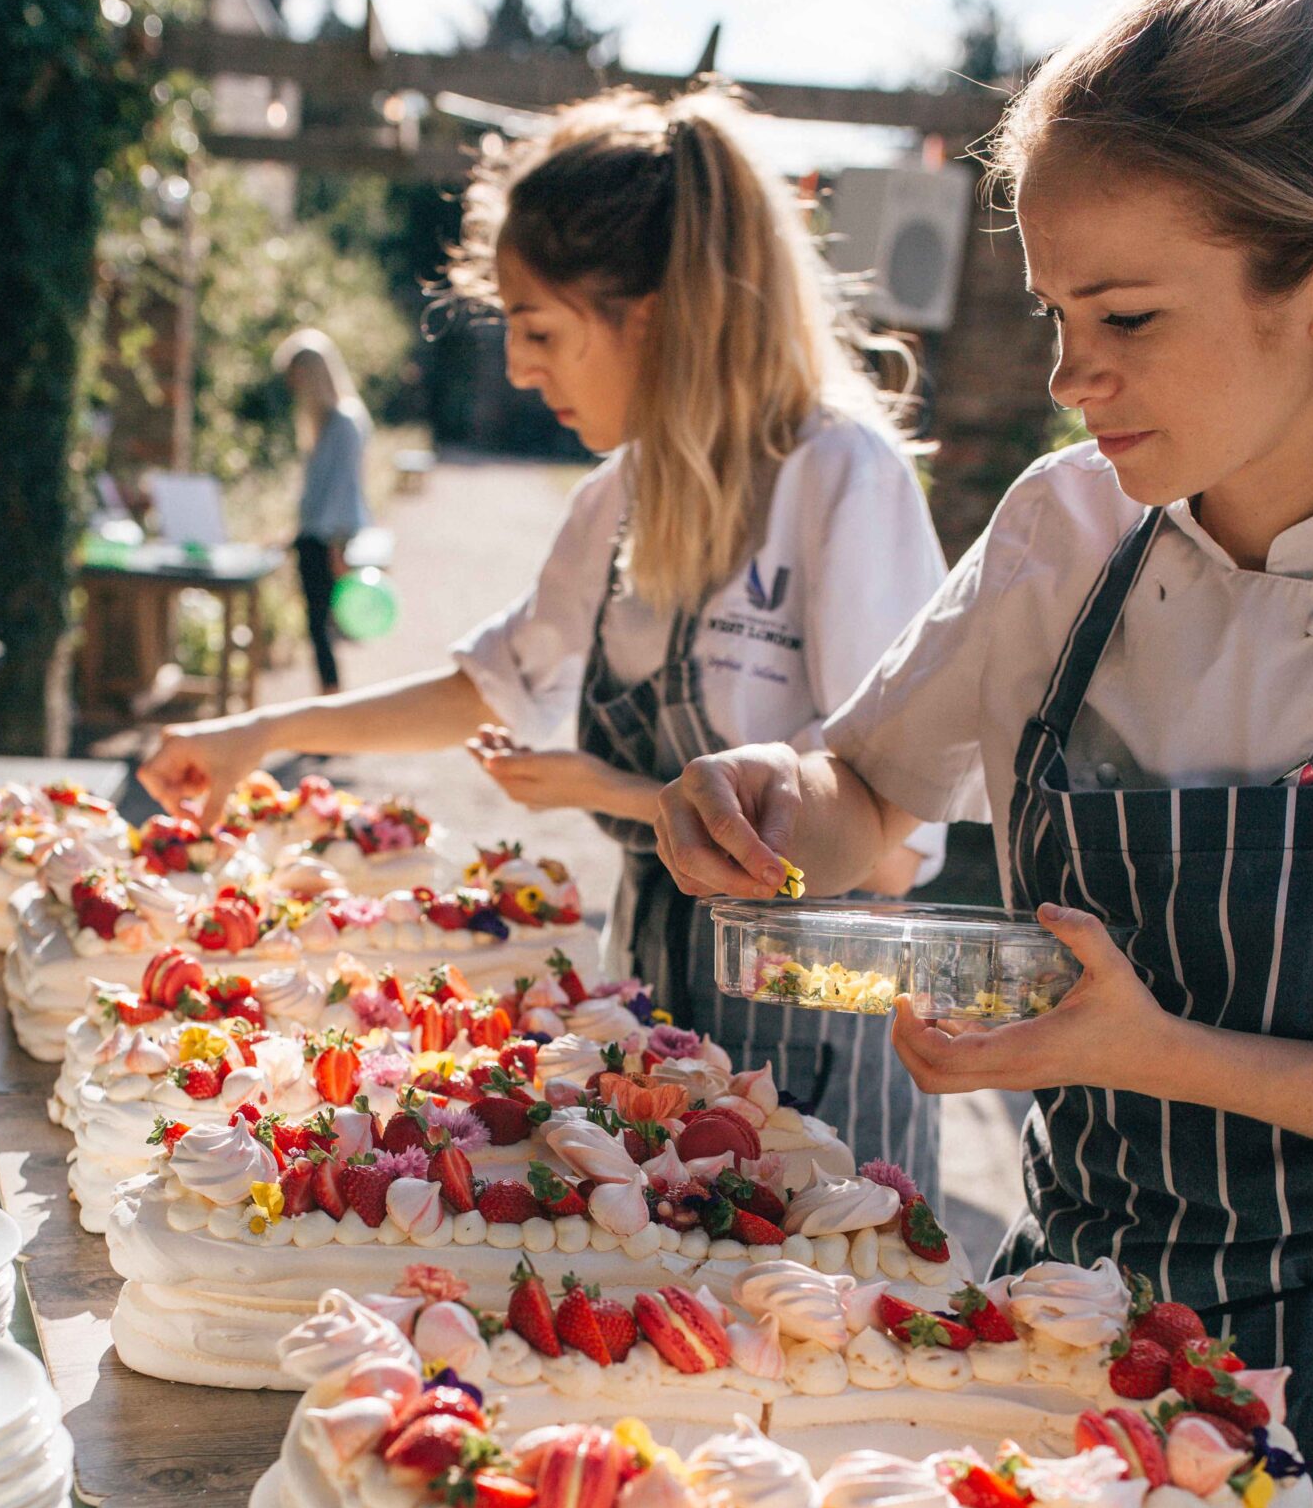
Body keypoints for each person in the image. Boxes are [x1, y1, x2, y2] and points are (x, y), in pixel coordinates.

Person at [654, 0, 1313, 1508]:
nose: (1072, 375)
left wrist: (1156, 1052)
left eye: (1127, 318)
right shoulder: (1065, 530)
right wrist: (765, 798)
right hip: (1070, 1340)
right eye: (1054, 311)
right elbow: (870, 794)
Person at [143, 88, 951, 1188]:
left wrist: (615, 793)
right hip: (664, 1011)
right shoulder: (621, 497)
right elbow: (489, 683)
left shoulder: (841, 477)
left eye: (539, 331)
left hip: (825, 1035)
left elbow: (896, 845)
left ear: (654, 317)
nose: (521, 370)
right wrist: (264, 731)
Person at [277, 328, 371, 696]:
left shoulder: (343, 423)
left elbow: (342, 491)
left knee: (322, 627)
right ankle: (328, 698)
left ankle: (331, 702)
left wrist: (335, 547)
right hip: (317, 536)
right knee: (317, 626)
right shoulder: (331, 422)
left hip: (327, 540)